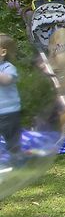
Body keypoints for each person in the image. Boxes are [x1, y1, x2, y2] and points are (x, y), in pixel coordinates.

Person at [0, 34, 22, 163]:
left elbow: (6, 80)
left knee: (12, 138)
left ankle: (16, 160)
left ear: (3, 52)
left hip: (9, 111)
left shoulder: (8, 67)